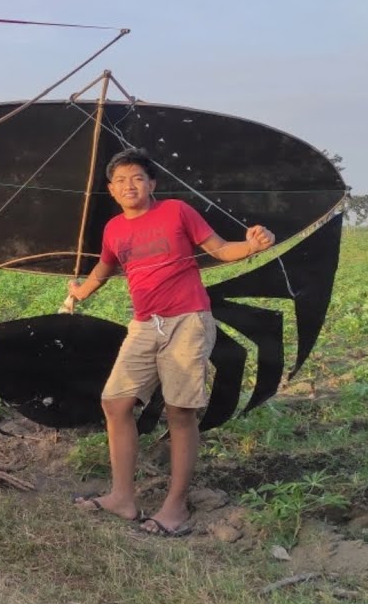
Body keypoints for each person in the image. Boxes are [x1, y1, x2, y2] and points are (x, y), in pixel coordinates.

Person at [68, 147, 274, 536]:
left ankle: (175, 507)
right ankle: (122, 498)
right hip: (145, 325)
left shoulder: (177, 212)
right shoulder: (114, 228)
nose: (130, 185)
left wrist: (251, 246)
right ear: (111, 190)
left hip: (187, 321)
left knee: (180, 412)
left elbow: (219, 249)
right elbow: (105, 265)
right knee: (115, 402)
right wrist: (81, 292)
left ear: (152, 184)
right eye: (121, 181)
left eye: (138, 178)